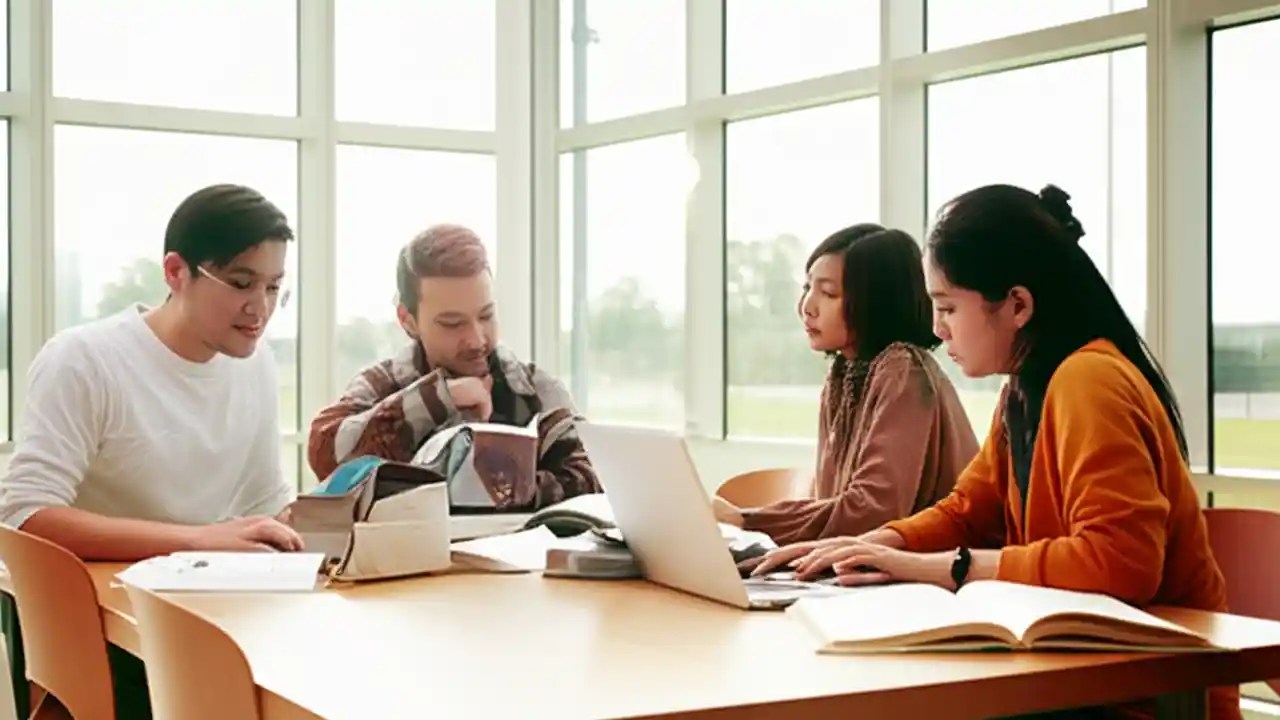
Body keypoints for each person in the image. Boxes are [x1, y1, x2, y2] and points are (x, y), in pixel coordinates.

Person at [752, 185, 1238, 720]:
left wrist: (943, 566)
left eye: (947, 307)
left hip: (1147, 695)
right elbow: (968, 508)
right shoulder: (1025, 388)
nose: (937, 328)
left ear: (1018, 305)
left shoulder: (1088, 380)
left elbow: (1121, 562)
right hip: (1074, 678)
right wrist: (863, 547)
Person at [0, 183, 304, 718]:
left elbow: (264, 501)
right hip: (94, 629)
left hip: (205, 613)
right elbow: (26, 515)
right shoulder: (84, 360)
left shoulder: (255, 366)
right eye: (240, 283)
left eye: (275, 287)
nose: (260, 309)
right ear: (175, 272)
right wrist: (199, 541)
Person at [714, 224, 978, 546]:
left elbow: (872, 513)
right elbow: (835, 501)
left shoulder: (903, 369)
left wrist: (745, 520)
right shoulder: (843, 374)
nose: (807, 306)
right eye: (807, 288)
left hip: (931, 577)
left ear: (875, 301)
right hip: (871, 568)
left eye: (828, 293)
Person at [308, 224, 599, 509]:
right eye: (453, 324)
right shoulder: (381, 385)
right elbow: (326, 455)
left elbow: (596, 480)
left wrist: (497, 488)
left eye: (486, 316)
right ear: (407, 320)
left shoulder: (536, 389)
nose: (476, 340)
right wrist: (438, 399)